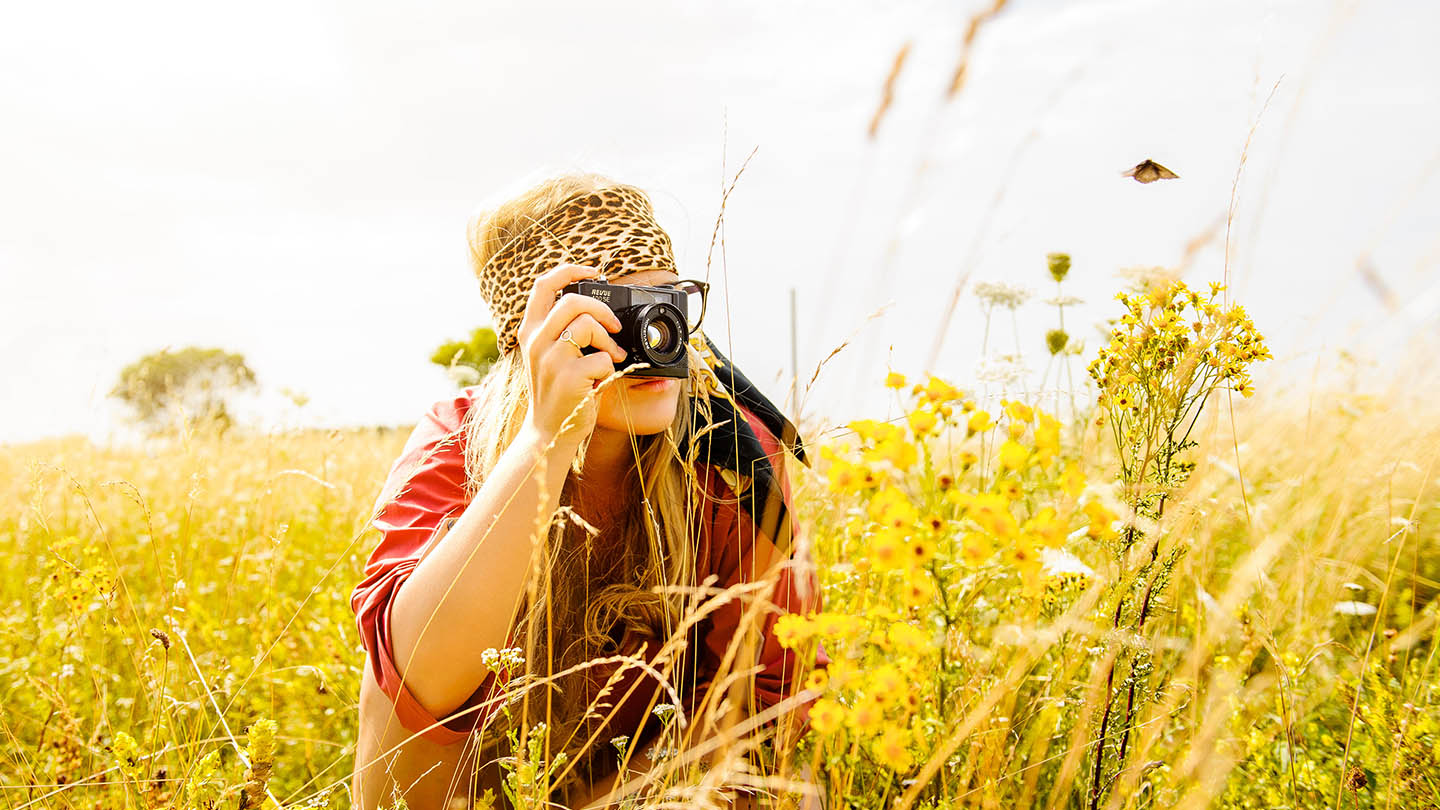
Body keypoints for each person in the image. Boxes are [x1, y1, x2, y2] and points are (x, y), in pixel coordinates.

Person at [349, 172, 829, 810]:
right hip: (494, 768)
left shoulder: (733, 461)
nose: (651, 342)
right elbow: (421, 681)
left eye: (664, 307)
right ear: (535, 339)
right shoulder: (457, 439)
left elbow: (769, 709)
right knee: (395, 678)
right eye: (610, 318)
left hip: (650, 775)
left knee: (792, 792)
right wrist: (544, 440)